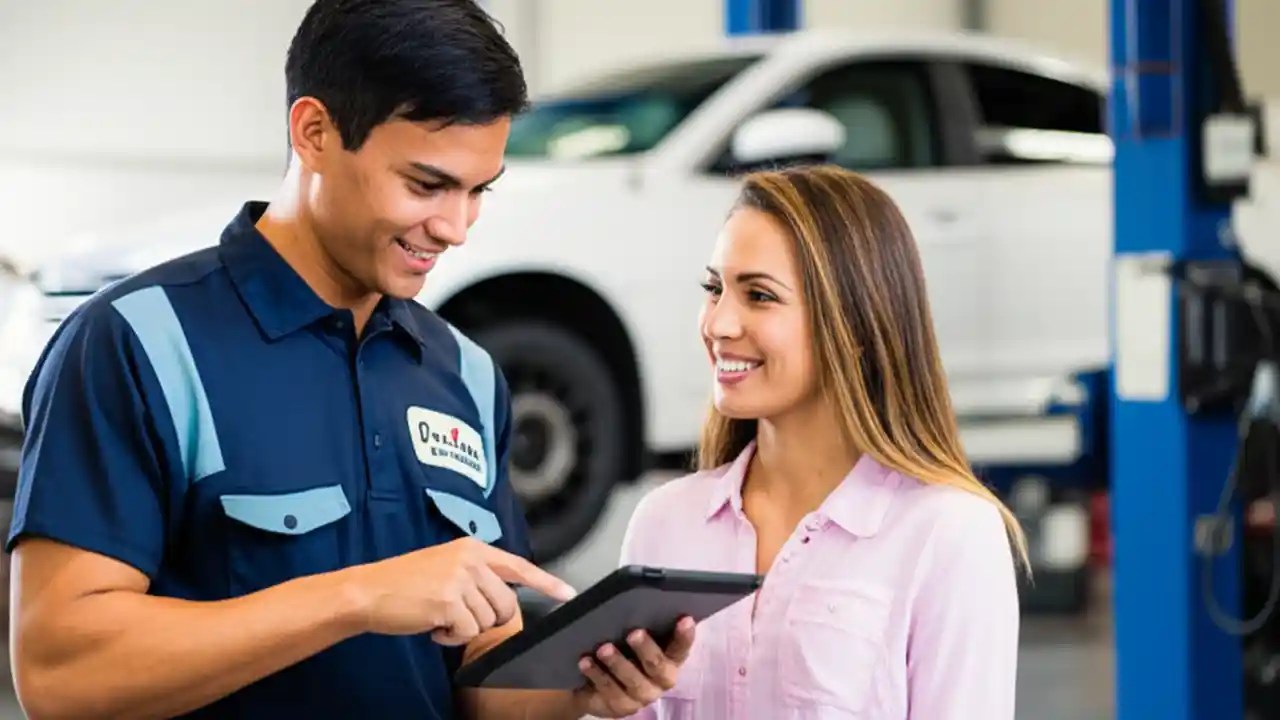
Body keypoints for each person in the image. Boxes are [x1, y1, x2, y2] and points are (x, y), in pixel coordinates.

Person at [6, 1, 693, 718]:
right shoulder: (137, 345)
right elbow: (62, 673)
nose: (456, 228)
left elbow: (483, 684)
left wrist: (578, 687)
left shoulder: (465, 373)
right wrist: (358, 597)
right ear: (314, 133)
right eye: (426, 185)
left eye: (478, 191)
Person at [618, 165, 1027, 719]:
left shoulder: (949, 534)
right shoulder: (664, 522)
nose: (719, 323)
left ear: (855, 326)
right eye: (715, 289)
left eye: (759, 296)